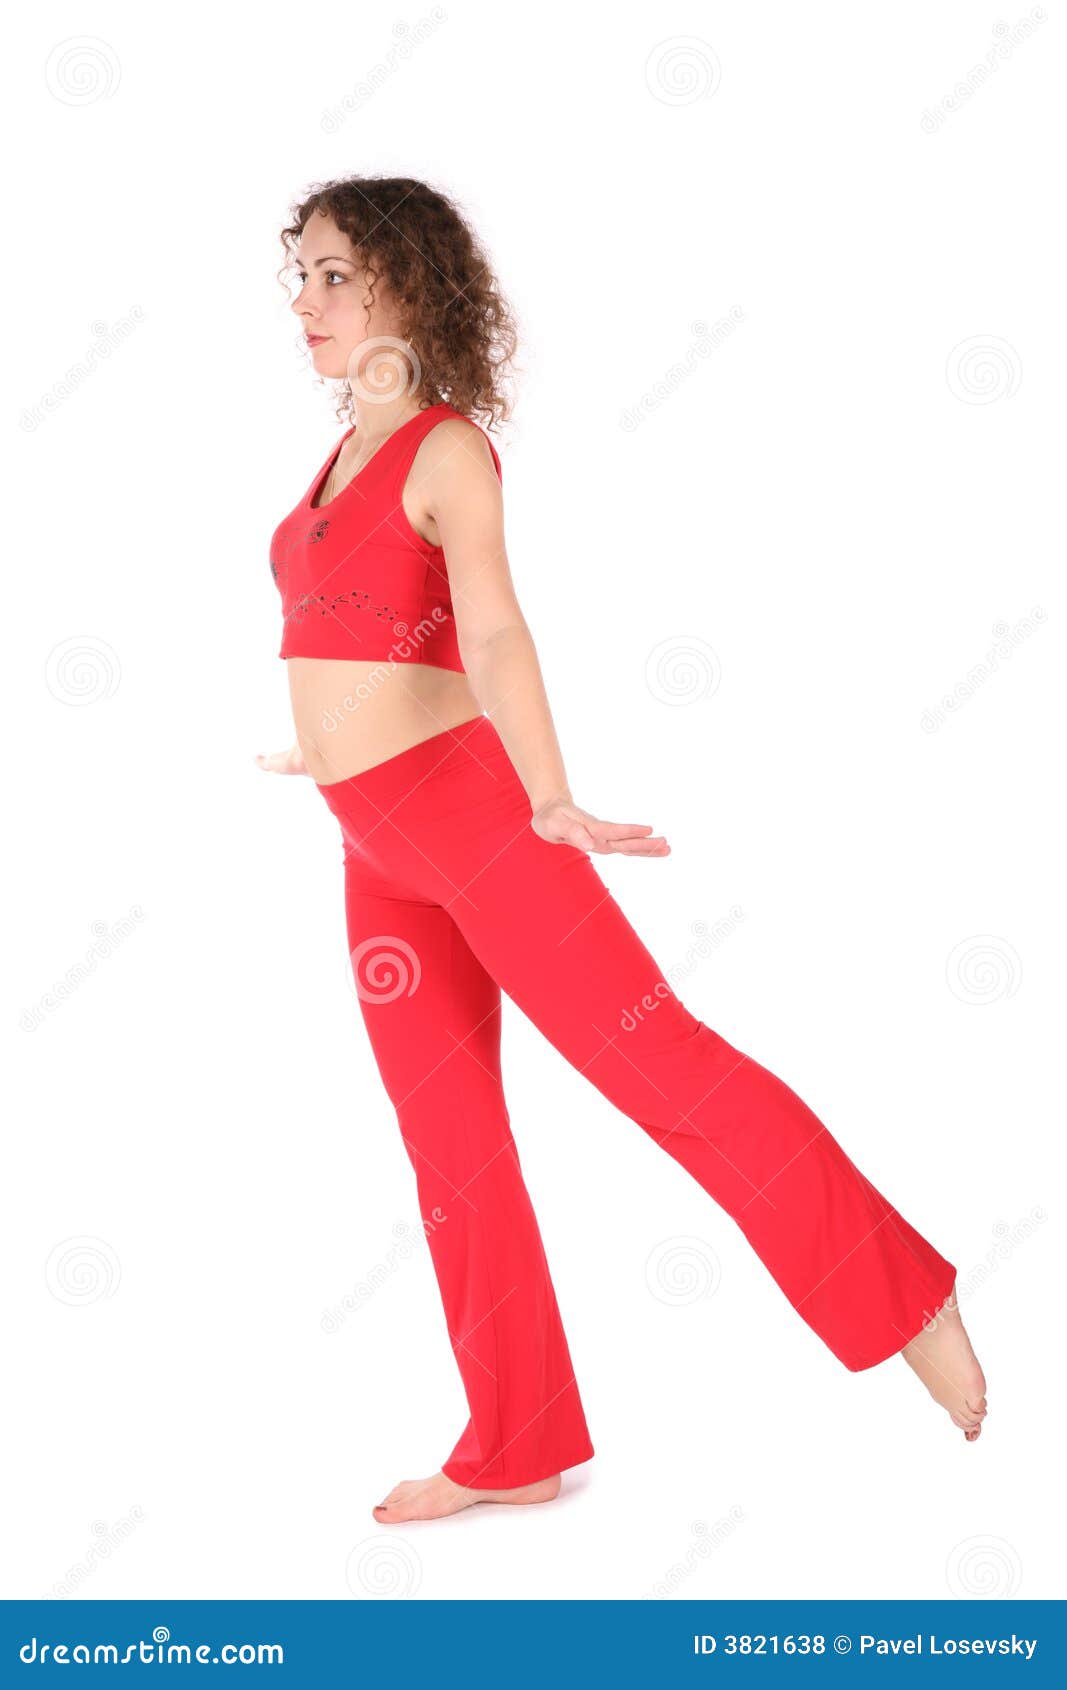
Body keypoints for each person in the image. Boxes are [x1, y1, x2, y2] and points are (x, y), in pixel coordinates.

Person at [256, 176, 987, 1525]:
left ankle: (908, 1296)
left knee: (664, 1066)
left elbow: (492, 632)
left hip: (477, 819)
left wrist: (551, 792)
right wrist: (326, 740)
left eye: (336, 273)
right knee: (450, 1143)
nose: (303, 299)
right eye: (295, 273)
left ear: (409, 285)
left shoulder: (442, 447)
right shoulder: (341, 454)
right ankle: (515, 1436)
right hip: (375, 849)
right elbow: (363, 628)